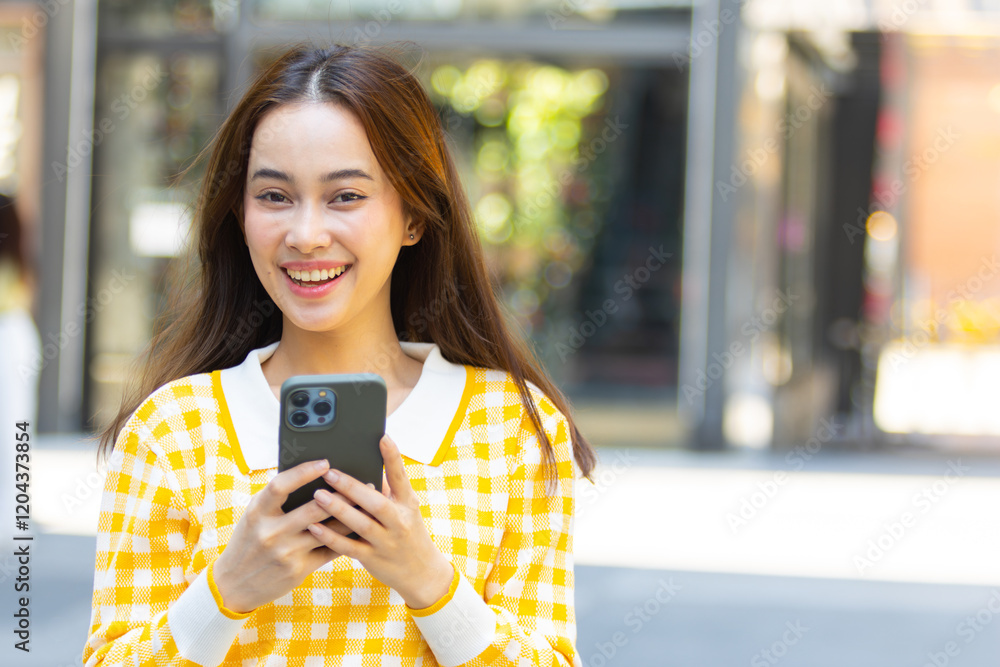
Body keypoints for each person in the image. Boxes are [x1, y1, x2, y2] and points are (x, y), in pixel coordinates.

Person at [84, 43, 596, 667]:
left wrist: (428, 582)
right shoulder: (172, 431)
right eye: (273, 196)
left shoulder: (513, 426)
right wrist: (227, 591)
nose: (305, 235)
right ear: (239, 216)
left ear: (414, 216)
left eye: (346, 196)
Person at [0, 194, 40, 545]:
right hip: (17, 337)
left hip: (9, 341)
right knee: (16, 430)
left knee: (14, 431)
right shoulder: (18, 257)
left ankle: (13, 516)